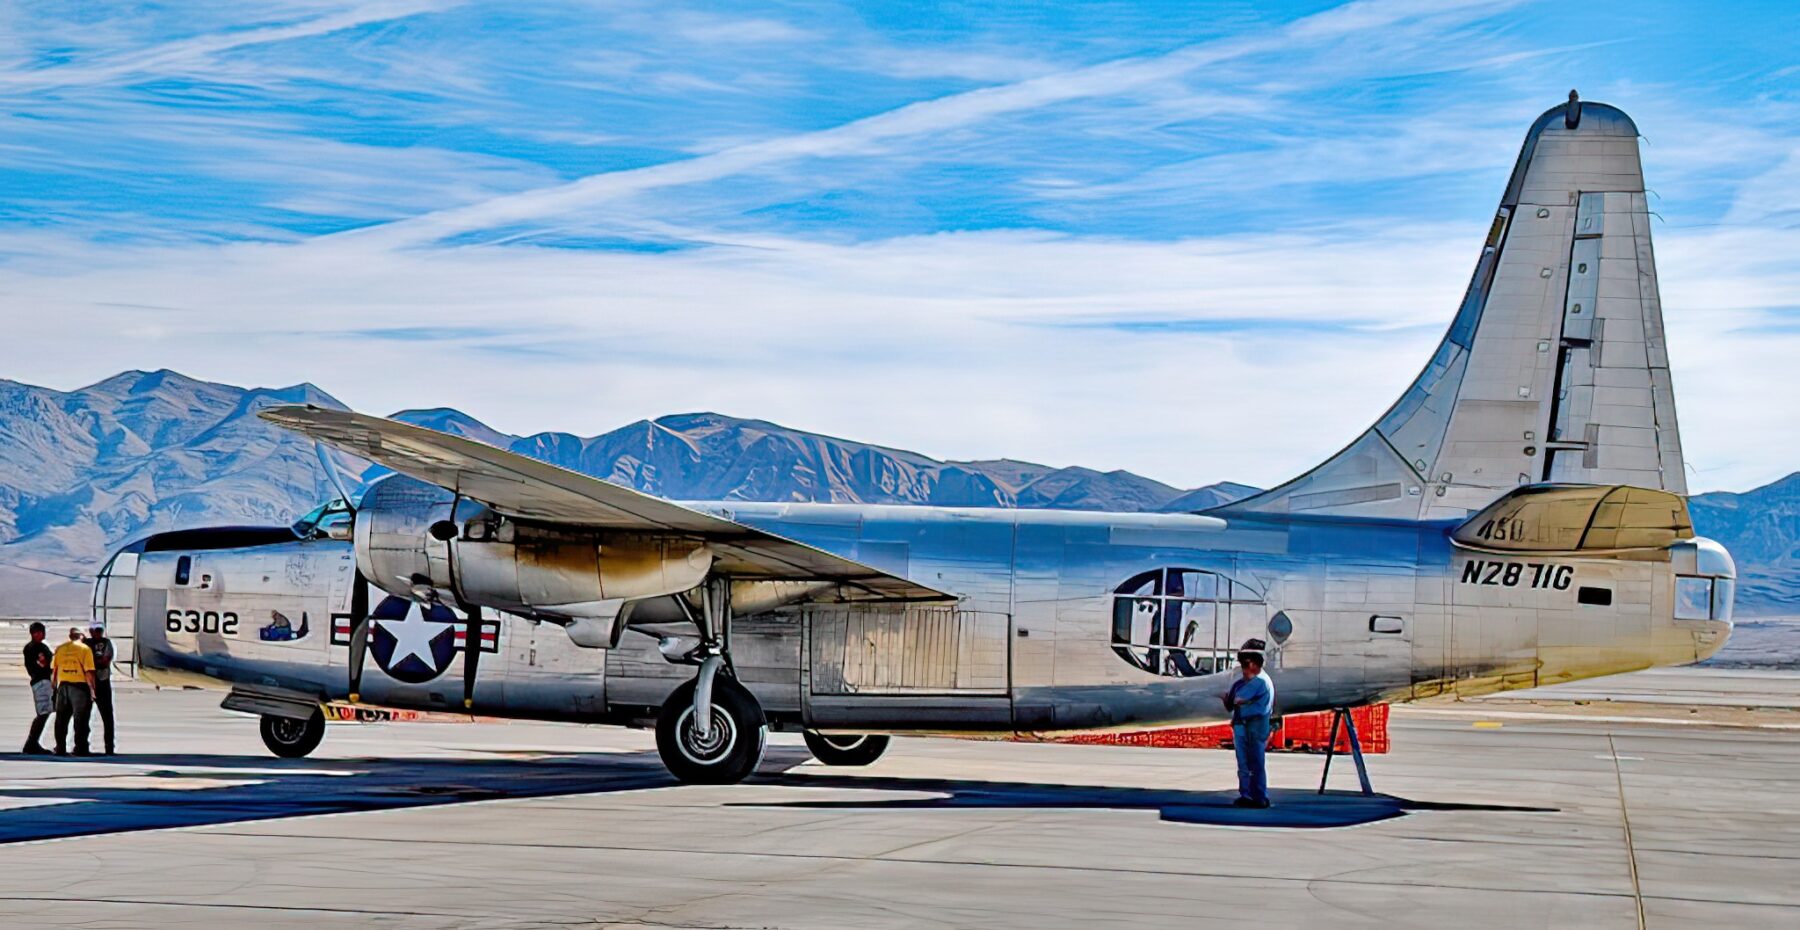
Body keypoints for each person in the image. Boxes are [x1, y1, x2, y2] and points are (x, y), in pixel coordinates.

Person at [1222, 639, 1276, 808]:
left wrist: (1237, 701)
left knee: (1253, 763)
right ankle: (1249, 795)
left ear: (1255, 663)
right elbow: (1233, 702)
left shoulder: (1258, 682)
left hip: (1253, 726)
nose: (1243, 669)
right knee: (1247, 764)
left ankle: (1256, 796)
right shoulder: (1249, 681)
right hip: (1244, 725)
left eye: (1246, 664)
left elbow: (1237, 699)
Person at [50, 626, 96, 757]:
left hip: (63, 686)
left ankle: (60, 747)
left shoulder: (60, 648)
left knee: (61, 720)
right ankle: (81, 748)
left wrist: (54, 688)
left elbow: (54, 670)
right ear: (81, 636)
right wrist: (92, 690)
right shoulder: (84, 649)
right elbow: (89, 672)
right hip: (79, 687)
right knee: (80, 719)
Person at [86, 623, 117, 755]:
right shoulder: (85, 643)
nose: (98, 633)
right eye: (95, 630)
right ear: (91, 631)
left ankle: (109, 747)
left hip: (103, 682)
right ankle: (81, 745)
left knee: (107, 717)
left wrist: (92, 663)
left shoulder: (107, 643)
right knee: (83, 716)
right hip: (88, 683)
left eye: (100, 630)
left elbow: (106, 660)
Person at [21, 622, 52, 754]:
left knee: (45, 712)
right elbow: (43, 663)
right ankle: (31, 743)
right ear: (33, 634)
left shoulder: (41, 646)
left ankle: (33, 742)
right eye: (38, 632)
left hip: (44, 681)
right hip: (41, 681)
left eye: (42, 632)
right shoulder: (33, 648)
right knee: (43, 713)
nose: (41, 634)